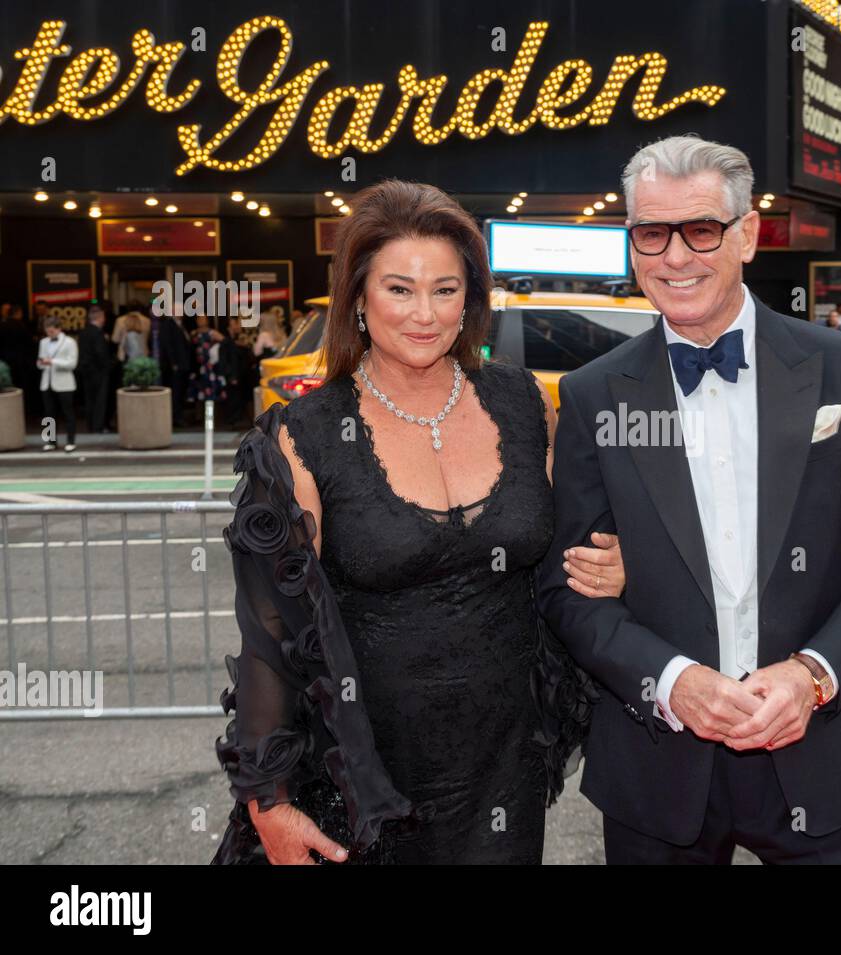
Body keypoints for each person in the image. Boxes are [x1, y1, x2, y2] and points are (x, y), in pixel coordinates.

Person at [537, 135, 841, 864]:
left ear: (747, 234)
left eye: (702, 230)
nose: (675, 256)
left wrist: (812, 674)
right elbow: (569, 594)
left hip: (822, 755)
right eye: (652, 233)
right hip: (658, 764)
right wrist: (672, 680)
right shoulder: (592, 394)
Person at [212, 180, 627, 865]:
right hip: (361, 769)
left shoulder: (525, 405)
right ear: (359, 299)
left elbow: (573, 548)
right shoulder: (304, 436)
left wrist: (619, 565)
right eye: (399, 288)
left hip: (503, 764)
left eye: (445, 288)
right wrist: (270, 801)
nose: (425, 313)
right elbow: (272, 637)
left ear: (470, 298)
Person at [36, 315, 78, 452]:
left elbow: (72, 364)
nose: (49, 334)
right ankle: (51, 441)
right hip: (47, 382)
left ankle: (71, 441)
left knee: (68, 413)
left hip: (64, 383)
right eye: (47, 331)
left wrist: (53, 362)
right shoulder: (43, 342)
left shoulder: (70, 342)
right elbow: (40, 362)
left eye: (52, 331)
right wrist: (41, 363)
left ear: (59, 329)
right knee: (49, 414)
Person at [78, 305, 114, 434]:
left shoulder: (83, 332)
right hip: (99, 371)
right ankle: (97, 426)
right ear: (100, 318)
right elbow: (100, 353)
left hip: (86, 371)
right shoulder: (98, 333)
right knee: (100, 400)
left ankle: (91, 425)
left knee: (89, 399)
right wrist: (108, 365)